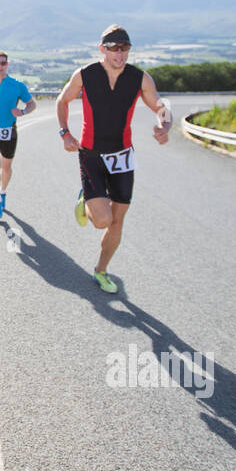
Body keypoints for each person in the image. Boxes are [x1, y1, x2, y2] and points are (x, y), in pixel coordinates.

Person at [56, 25, 171, 293]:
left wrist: (165, 125)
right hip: (91, 154)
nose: (120, 54)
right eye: (114, 49)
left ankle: (101, 270)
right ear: (103, 50)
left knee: (118, 221)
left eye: (124, 49)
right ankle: (85, 200)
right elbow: (62, 101)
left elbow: (160, 106)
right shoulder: (85, 74)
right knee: (102, 221)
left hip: (122, 156)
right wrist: (65, 134)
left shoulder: (140, 78)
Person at [0, 51, 36, 218]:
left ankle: (3, 192)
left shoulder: (17, 85)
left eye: (3, 63)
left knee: (6, 167)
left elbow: (32, 104)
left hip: (9, 131)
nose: (0, 66)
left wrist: (24, 111)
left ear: (7, 65)